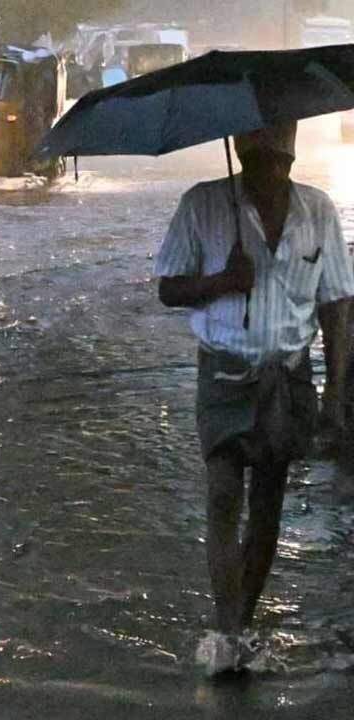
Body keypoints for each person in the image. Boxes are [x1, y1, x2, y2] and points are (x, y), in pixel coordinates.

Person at [155, 121, 354, 675]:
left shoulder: (318, 211)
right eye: (258, 159)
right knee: (224, 496)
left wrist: (335, 394)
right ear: (240, 151)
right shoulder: (202, 205)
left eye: (278, 160)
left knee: (267, 505)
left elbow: (338, 306)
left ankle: (239, 621)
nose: (269, 172)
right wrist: (220, 281)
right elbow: (169, 285)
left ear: (291, 156)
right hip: (223, 372)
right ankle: (229, 631)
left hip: (288, 376)